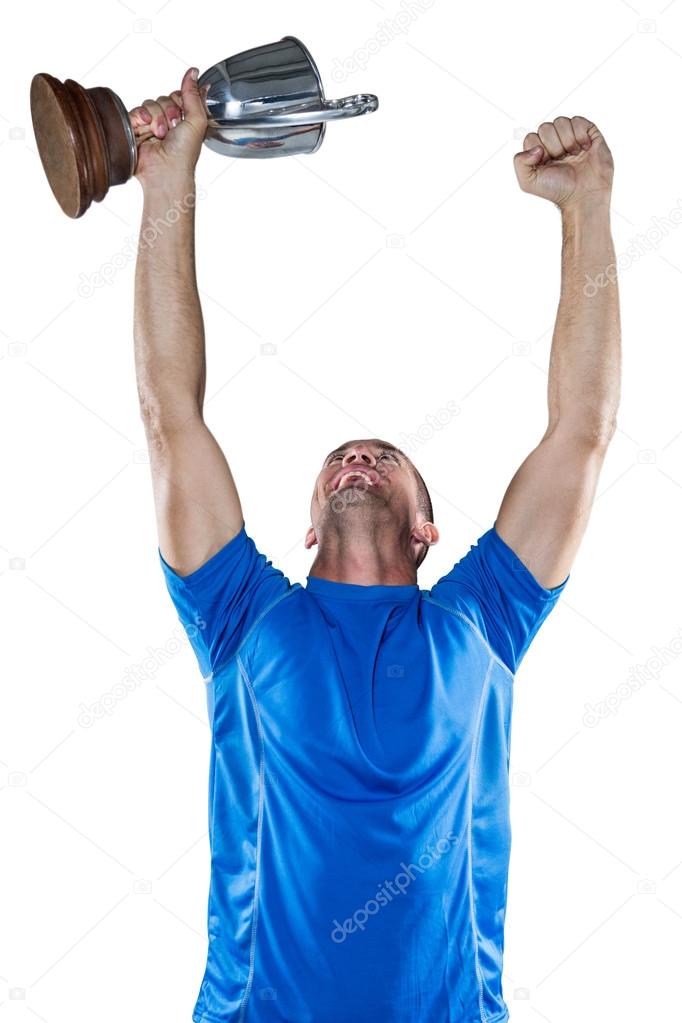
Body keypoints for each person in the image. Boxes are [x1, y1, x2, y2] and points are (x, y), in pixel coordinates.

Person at [131, 68, 621, 1023]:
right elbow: (169, 419)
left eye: (384, 458)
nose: (358, 456)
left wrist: (588, 209)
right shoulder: (241, 617)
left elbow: (582, 435)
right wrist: (168, 182)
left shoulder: (484, 618)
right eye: (342, 459)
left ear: (427, 528)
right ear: (308, 524)